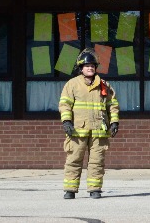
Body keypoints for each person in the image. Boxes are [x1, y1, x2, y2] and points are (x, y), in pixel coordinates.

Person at [59, 49, 120, 199]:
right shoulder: (72, 84)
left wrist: (114, 122)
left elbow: (112, 105)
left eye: (92, 65)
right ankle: (70, 189)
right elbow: (65, 104)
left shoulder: (104, 85)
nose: (90, 68)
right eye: (87, 66)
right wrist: (66, 121)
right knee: (74, 159)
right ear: (81, 68)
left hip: (99, 131)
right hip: (78, 131)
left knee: (97, 161)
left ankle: (95, 189)